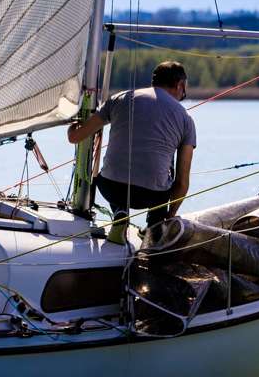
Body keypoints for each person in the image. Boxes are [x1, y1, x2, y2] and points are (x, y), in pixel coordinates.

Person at [66, 60, 196, 245]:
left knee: (103, 176)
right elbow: (182, 183)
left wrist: (71, 128)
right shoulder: (186, 119)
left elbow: (75, 137)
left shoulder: (119, 98)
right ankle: (155, 227)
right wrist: (171, 214)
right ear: (180, 85)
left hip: (112, 188)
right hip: (152, 195)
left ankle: (120, 213)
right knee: (167, 180)